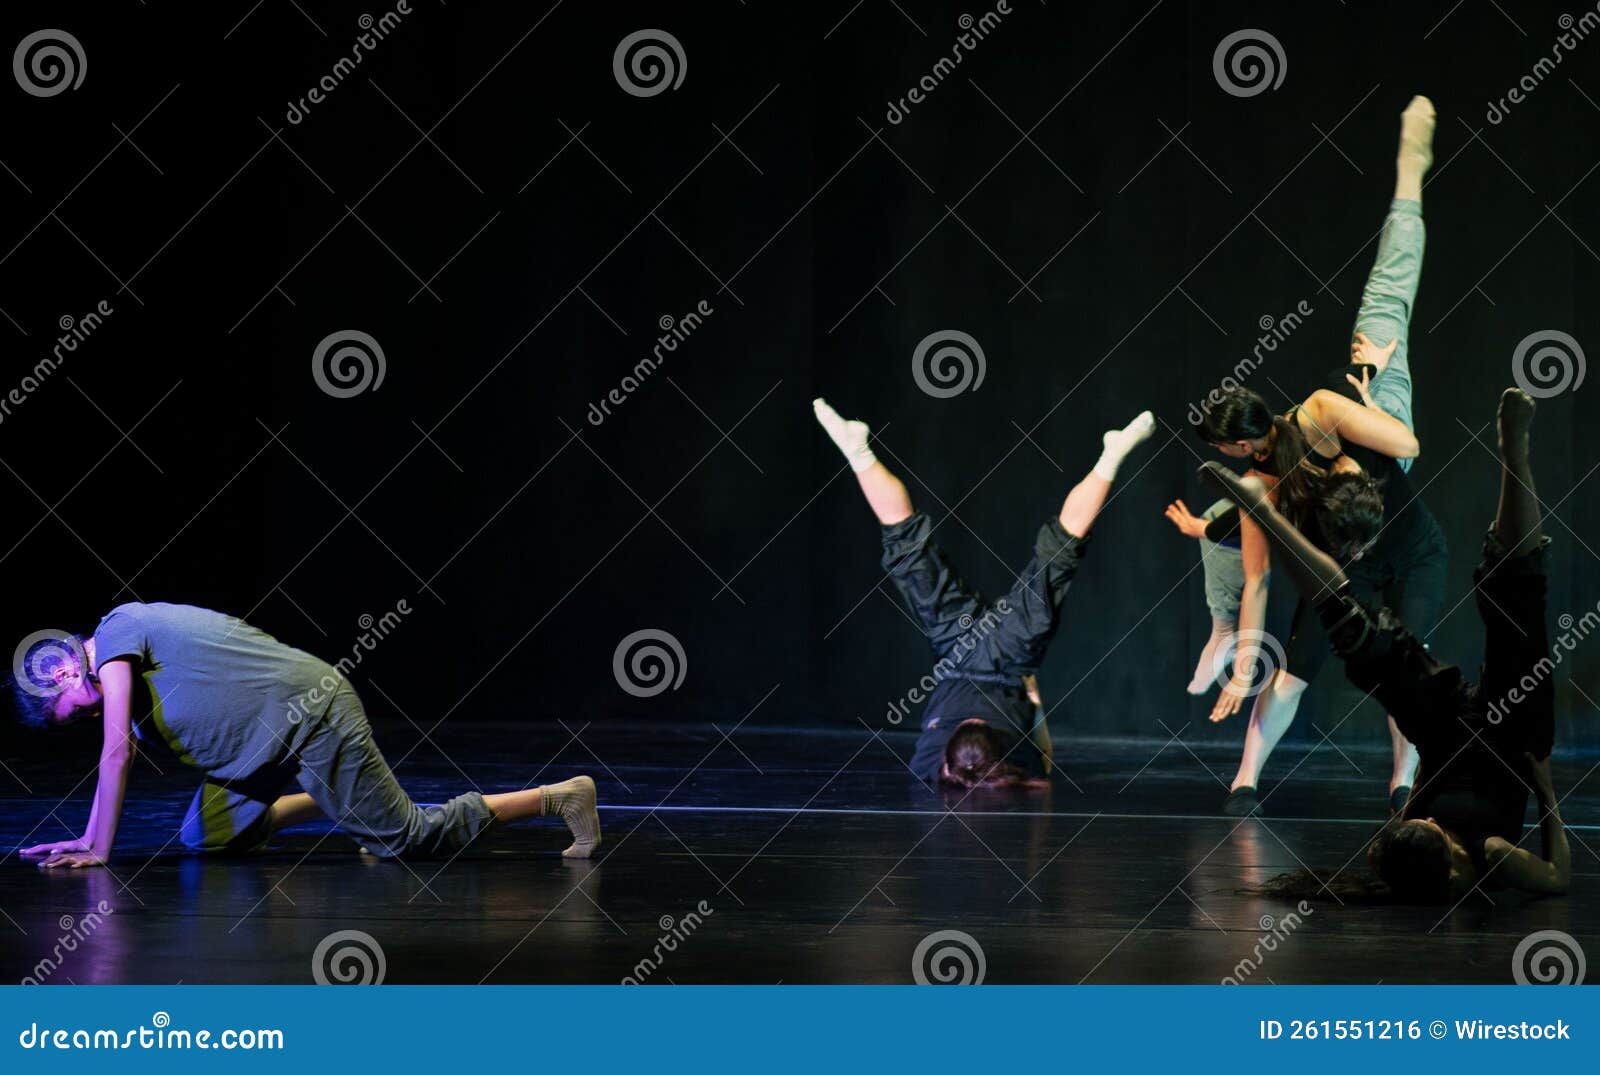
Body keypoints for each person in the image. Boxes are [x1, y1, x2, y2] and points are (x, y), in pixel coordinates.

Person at [1199, 387, 1570, 902]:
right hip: (1511, 739)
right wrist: (1547, 793)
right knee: (1519, 598)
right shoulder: (1488, 859)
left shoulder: (1406, 857)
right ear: (1444, 854)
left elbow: (1406, 445)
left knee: (1367, 644)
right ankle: (1515, 455)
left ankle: (1269, 522)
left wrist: (1415, 798)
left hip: (1447, 732)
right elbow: (1556, 878)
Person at [1193, 95, 1446, 817]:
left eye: (1222, 445)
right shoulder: (1261, 489)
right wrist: (1246, 661)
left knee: (1385, 305)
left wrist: (1371, 396)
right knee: (1295, 665)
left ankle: (1410, 169)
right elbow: (1257, 584)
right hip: (1351, 565)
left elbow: (1410, 444)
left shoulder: (1321, 411)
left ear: (1244, 439)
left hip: (1379, 417)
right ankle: (1245, 780)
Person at [11, 602, 600, 867]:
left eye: (74, 712)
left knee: (409, 840)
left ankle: (560, 797)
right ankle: (342, 801)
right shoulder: (126, 679)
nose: (90, 720)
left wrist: (95, 846)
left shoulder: (117, 633)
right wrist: (84, 838)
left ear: (64, 673)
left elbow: (118, 753)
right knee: (204, 836)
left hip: (310, 717)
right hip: (256, 756)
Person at [813, 397, 1154, 788]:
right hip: (977, 653)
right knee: (918, 549)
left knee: (1048, 556)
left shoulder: (954, 765)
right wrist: (1032, 695)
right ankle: (1111, 455)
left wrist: (1035, 700)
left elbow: (1044, 756)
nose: (974, 718)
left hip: (991, 656)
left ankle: (857, 449)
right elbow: (1037, 760)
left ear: (947, 763)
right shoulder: (931, 763)